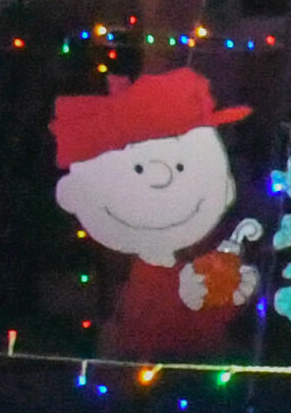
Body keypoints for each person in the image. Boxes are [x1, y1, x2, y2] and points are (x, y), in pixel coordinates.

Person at [49, 68, 259, 359]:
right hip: (135, 365)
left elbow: (216, 318)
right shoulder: (118, 245)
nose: (160, 179)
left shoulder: (210, 238)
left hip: (192, 369)